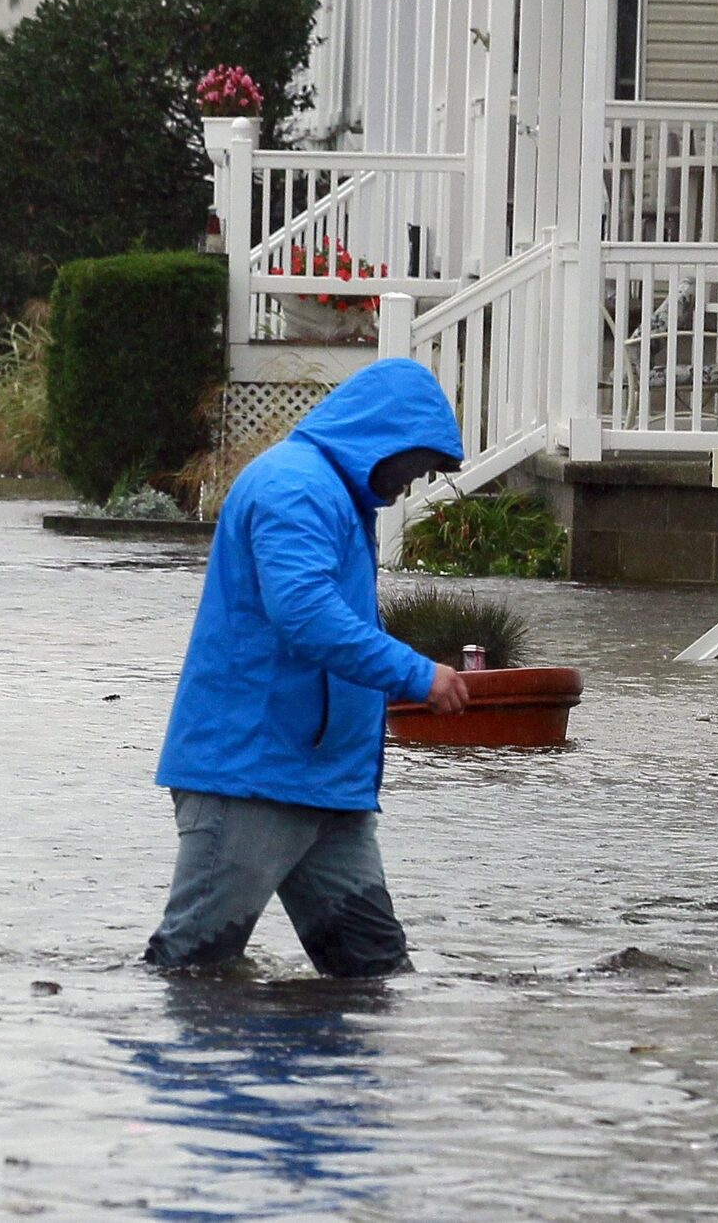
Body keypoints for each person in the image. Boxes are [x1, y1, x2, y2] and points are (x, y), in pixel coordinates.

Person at [145, 358, 469, 979]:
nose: (414, 483)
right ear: (387, 438)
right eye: (418, 465)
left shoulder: (338, 499)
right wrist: (417, 674)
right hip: (251, 776)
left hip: (325, 785)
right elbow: (305, 616)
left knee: (373, 977)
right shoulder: (294, 487)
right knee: (190, 968)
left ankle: (338, 1080)